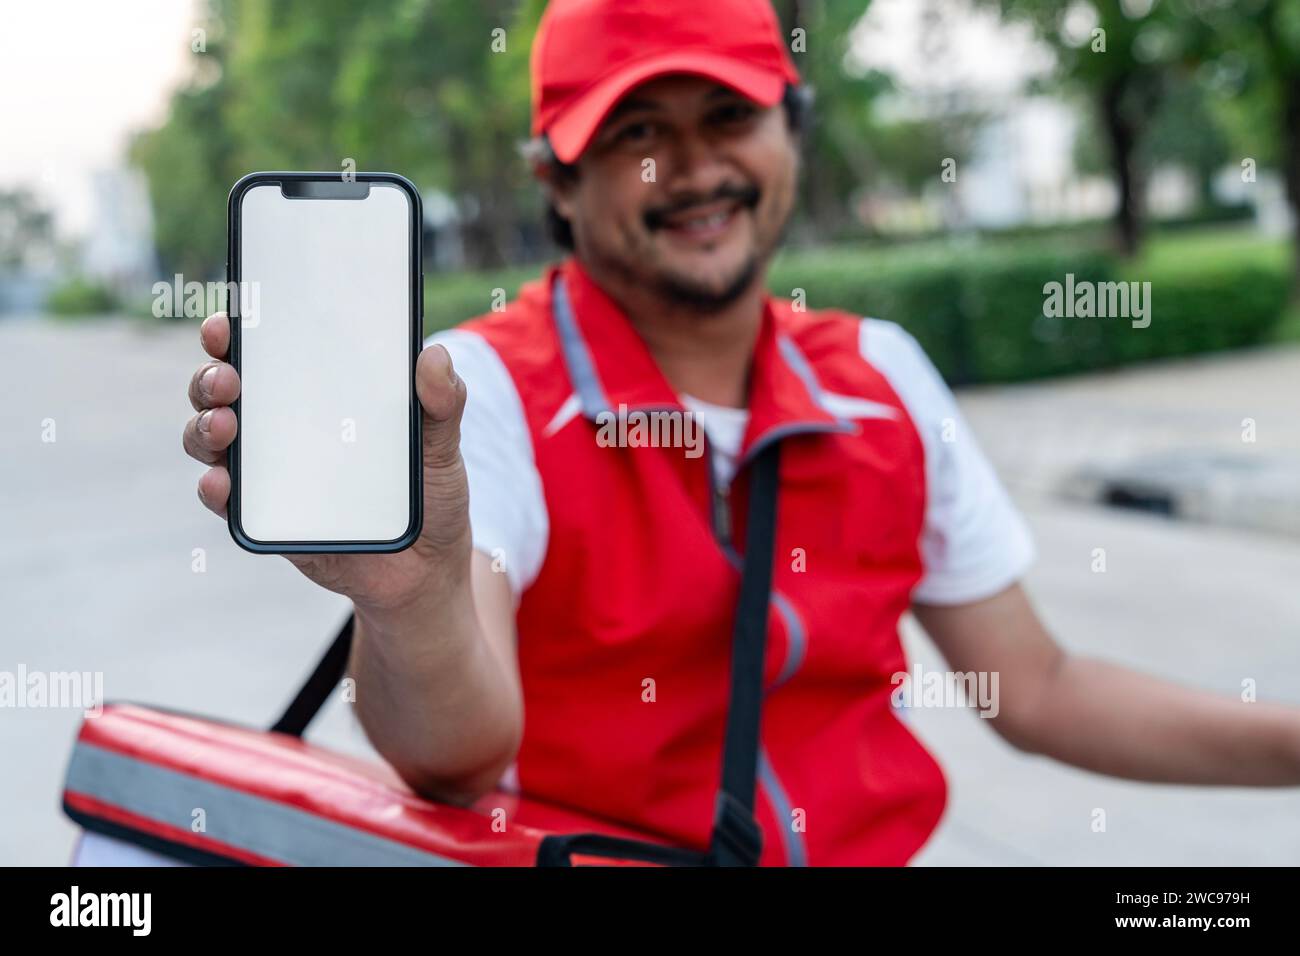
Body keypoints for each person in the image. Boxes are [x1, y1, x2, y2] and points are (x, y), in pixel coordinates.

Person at [182, 0, 1300, 865]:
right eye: (634, 134)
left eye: (728, 116)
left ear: (789, 131)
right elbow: (458, 754)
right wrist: (408, 602)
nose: (694, 168)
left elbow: (1039, 685)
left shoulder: (882, 376)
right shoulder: (483, 392)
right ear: (555, 183)